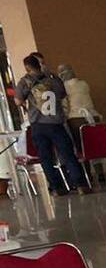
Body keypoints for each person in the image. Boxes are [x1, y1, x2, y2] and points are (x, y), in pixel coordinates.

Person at [14, 54, 91, 196]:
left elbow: (18, 101)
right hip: (56, 124)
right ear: (40, 65)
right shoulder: (53, 79)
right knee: (68, 155)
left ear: (27, 67)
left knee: (46, 158)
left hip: (38, 125)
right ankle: (81, 185)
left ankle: (56, 188)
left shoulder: (25, 82)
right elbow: (62, 95)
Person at [58, 64, 106, 187]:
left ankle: (87, 174)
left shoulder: (64, 87)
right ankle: (100, 173)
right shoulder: (84, 84)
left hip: (76, 119)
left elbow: (65, 107)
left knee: (80, 149)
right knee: (94, 147)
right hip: (93, 117)